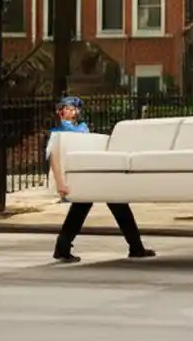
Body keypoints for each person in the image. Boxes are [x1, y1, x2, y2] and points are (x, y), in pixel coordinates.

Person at [48, 96, 156, 263]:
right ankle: (135, 247)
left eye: (75, 108)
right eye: (68, 108)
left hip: (90, 173)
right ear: (60, 111)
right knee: (90, 208)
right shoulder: (58, 133)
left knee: (113, 204)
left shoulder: (83, 130)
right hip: (80, 176)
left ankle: (135, 247)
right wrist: (60, 183)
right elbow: (54, 158)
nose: (72, 111)